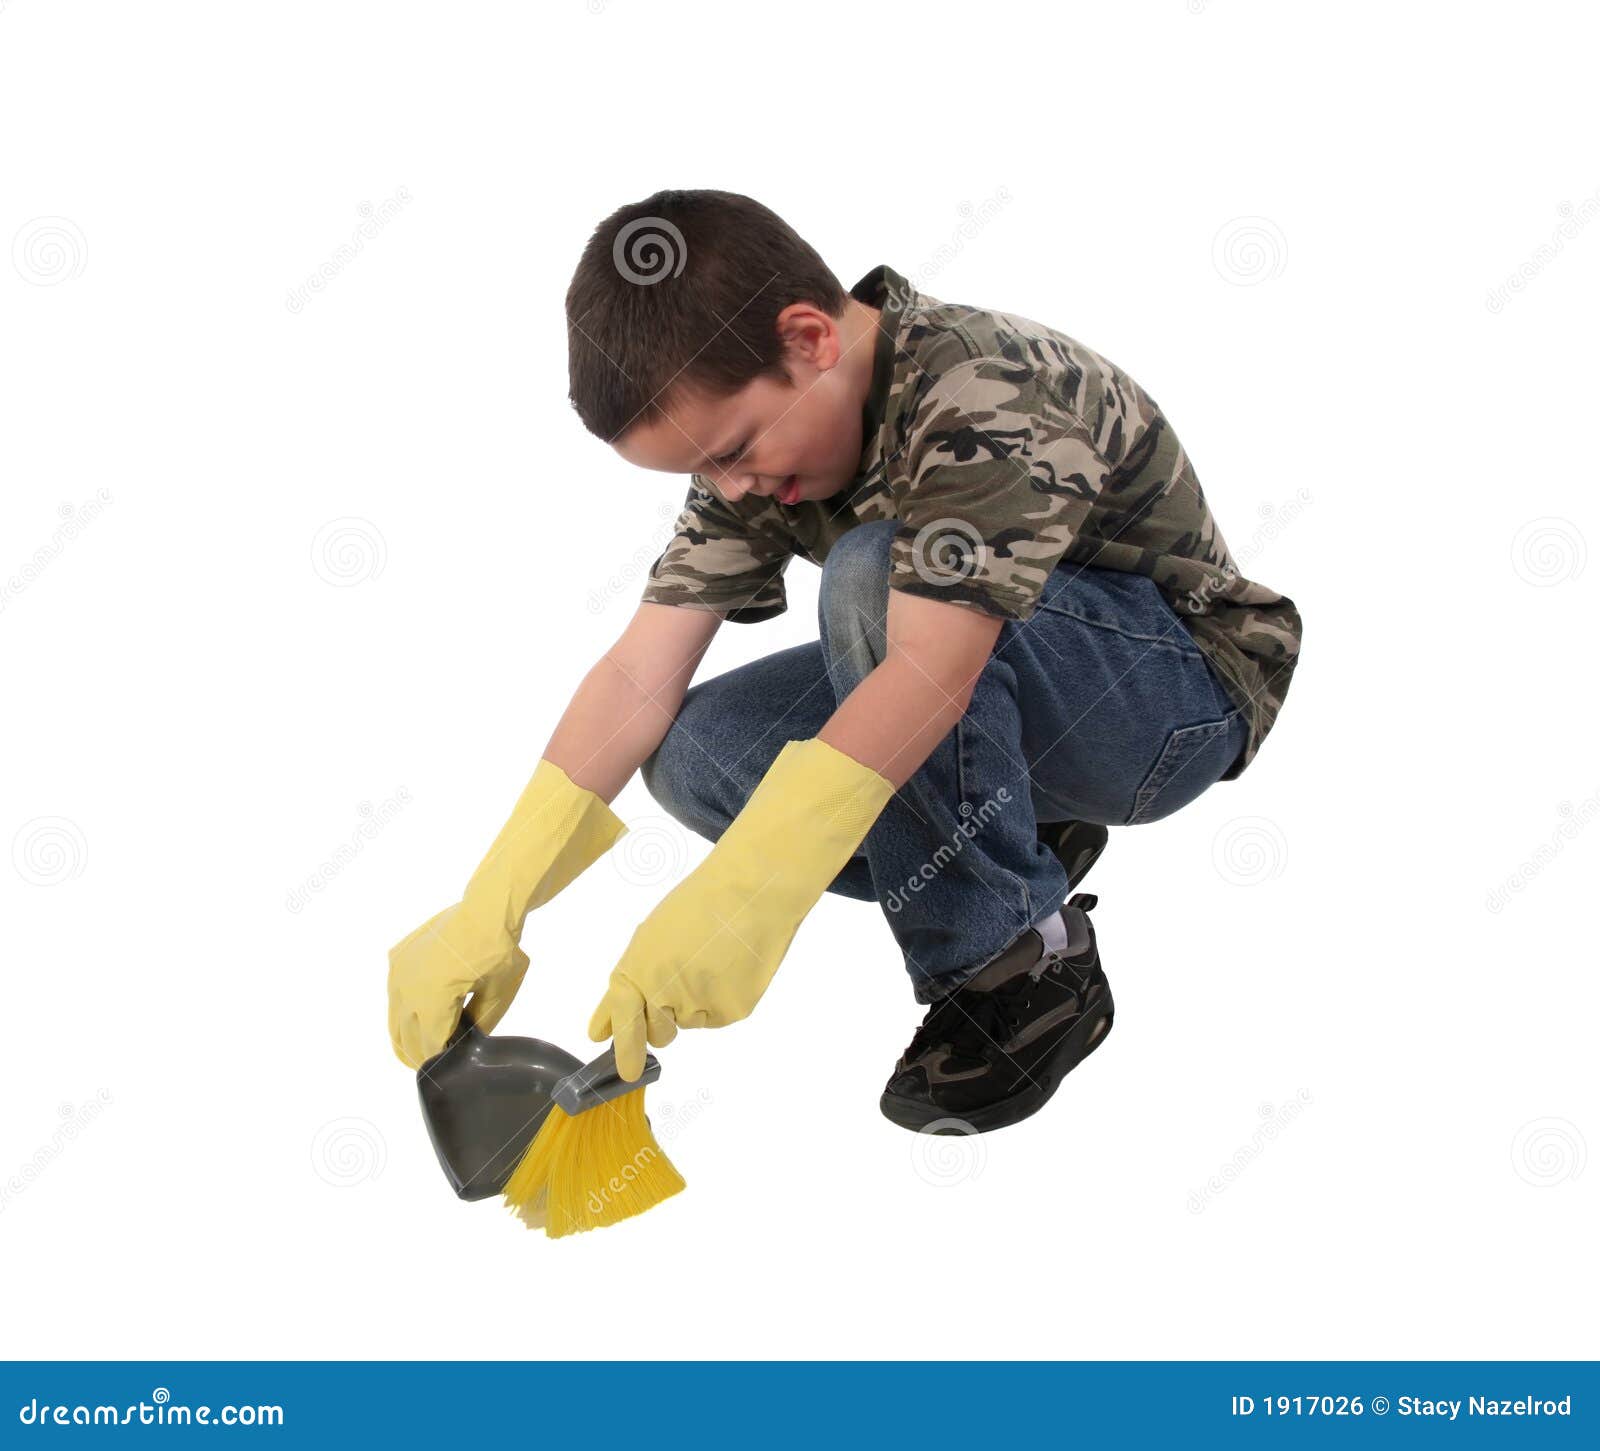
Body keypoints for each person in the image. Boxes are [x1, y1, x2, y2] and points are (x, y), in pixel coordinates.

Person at [387, 189, 1302, 1135]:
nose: (729, 488)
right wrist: (494, 903)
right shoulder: (756, 448)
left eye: (735, 453)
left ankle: (1019, 965)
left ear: (811, 338)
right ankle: (1014, 842)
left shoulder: (983, 390)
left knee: (873, 573)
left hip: (1178, 698)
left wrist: (745, 894)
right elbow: (638, 674)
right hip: (994, 676)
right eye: (705, 472)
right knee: (698, 749)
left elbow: (931, 673)